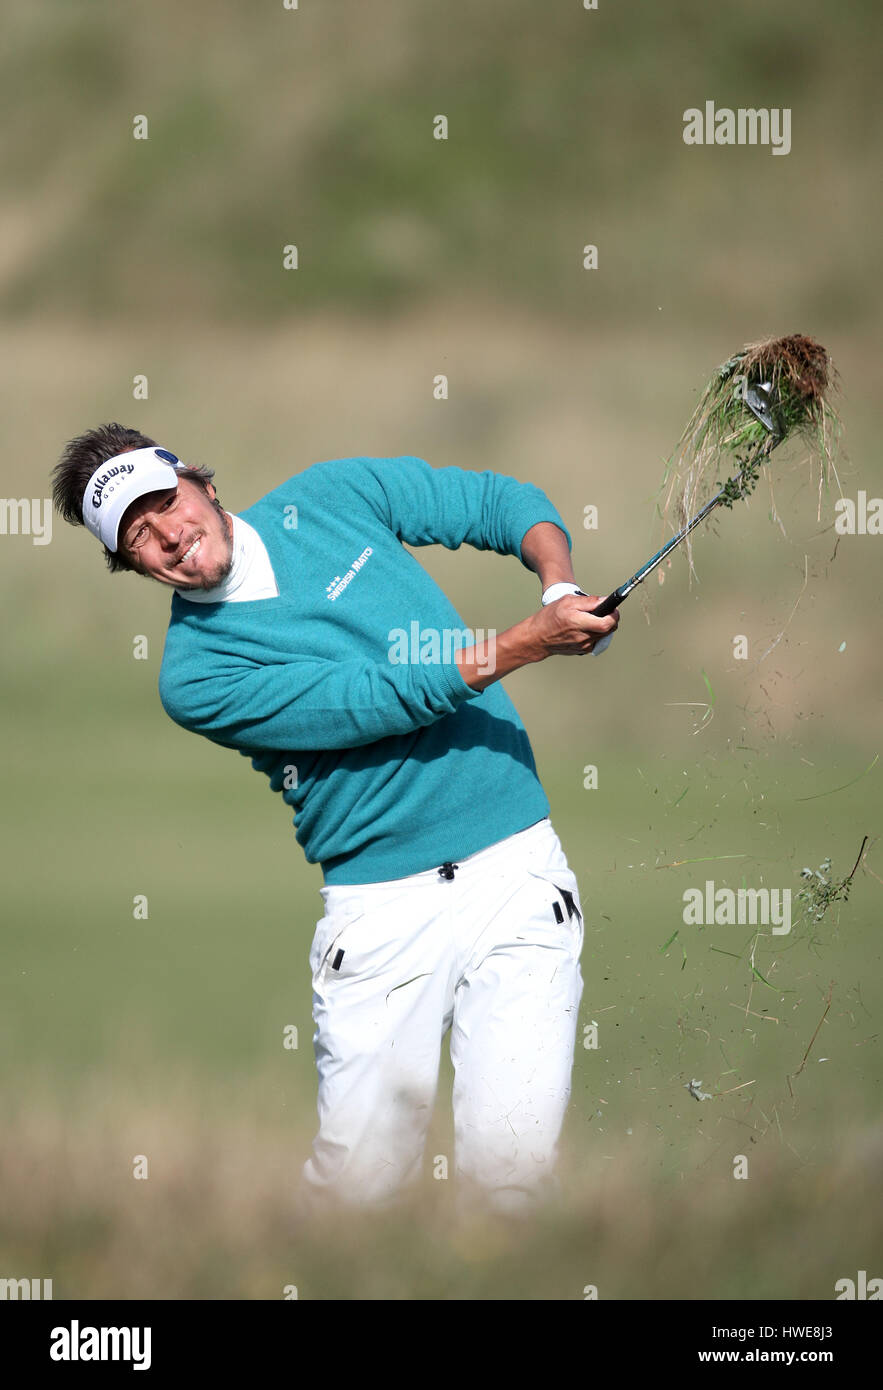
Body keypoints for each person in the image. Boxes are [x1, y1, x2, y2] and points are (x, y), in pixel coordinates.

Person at [51, 423, 619, 1215]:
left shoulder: (329, 496)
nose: (169, 537)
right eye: (138, 537)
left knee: (512, 1178)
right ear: (131, 565)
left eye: (164, 505)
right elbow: (375, 700)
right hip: (385, 914)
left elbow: (495, 504)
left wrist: (555, 585)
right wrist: (529, 642)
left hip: (518, 870)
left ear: (201, 484)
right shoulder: (197, 676)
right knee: (358, 1192)